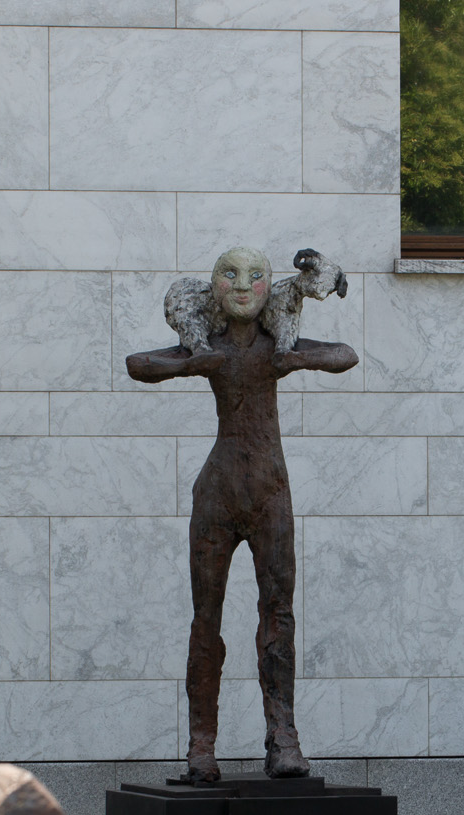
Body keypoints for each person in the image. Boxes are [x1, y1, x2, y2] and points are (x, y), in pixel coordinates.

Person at [125, 246, 358, 783]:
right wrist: (193, 362)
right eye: (229, 276)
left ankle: (284, 741)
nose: (243, 287)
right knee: (205, 619)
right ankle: (201, 751)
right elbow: (139, 364)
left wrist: (296, 358)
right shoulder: (207, 346)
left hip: (270, 493)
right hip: (218, 494)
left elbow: (345, 354)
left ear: (267, 287)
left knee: (279, 612)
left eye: (255, 278)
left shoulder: (279, 345)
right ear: (213, 289)